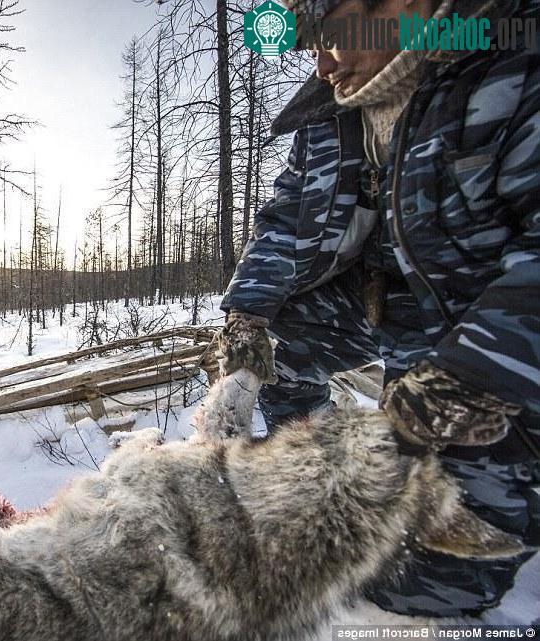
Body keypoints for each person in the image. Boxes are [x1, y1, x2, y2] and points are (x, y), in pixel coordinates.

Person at [218, 0, 540, 618]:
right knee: (279, 344)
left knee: (417, 577)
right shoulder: (331, 114)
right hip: (388, 314)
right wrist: (247, 316)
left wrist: (470, 380)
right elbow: (286, 219)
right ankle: (301, 470)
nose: (319, 63)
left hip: (492, 350)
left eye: (329, 35)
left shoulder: (509, 65)